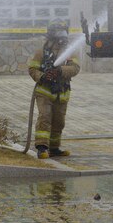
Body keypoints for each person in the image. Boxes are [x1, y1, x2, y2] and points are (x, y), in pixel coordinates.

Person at [28, 20, 80, 159]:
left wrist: (60, 71)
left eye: (64, 33)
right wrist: (42, 77)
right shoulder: (42, 51)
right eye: (59, 33)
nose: (62, 37)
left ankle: (54, 148)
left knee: (59, 121)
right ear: (51, 35)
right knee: (45, 117)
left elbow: (75, 68)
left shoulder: (69, 50)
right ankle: (42, 147)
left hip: (62, 93)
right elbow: (32, 68)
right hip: (44, 92)